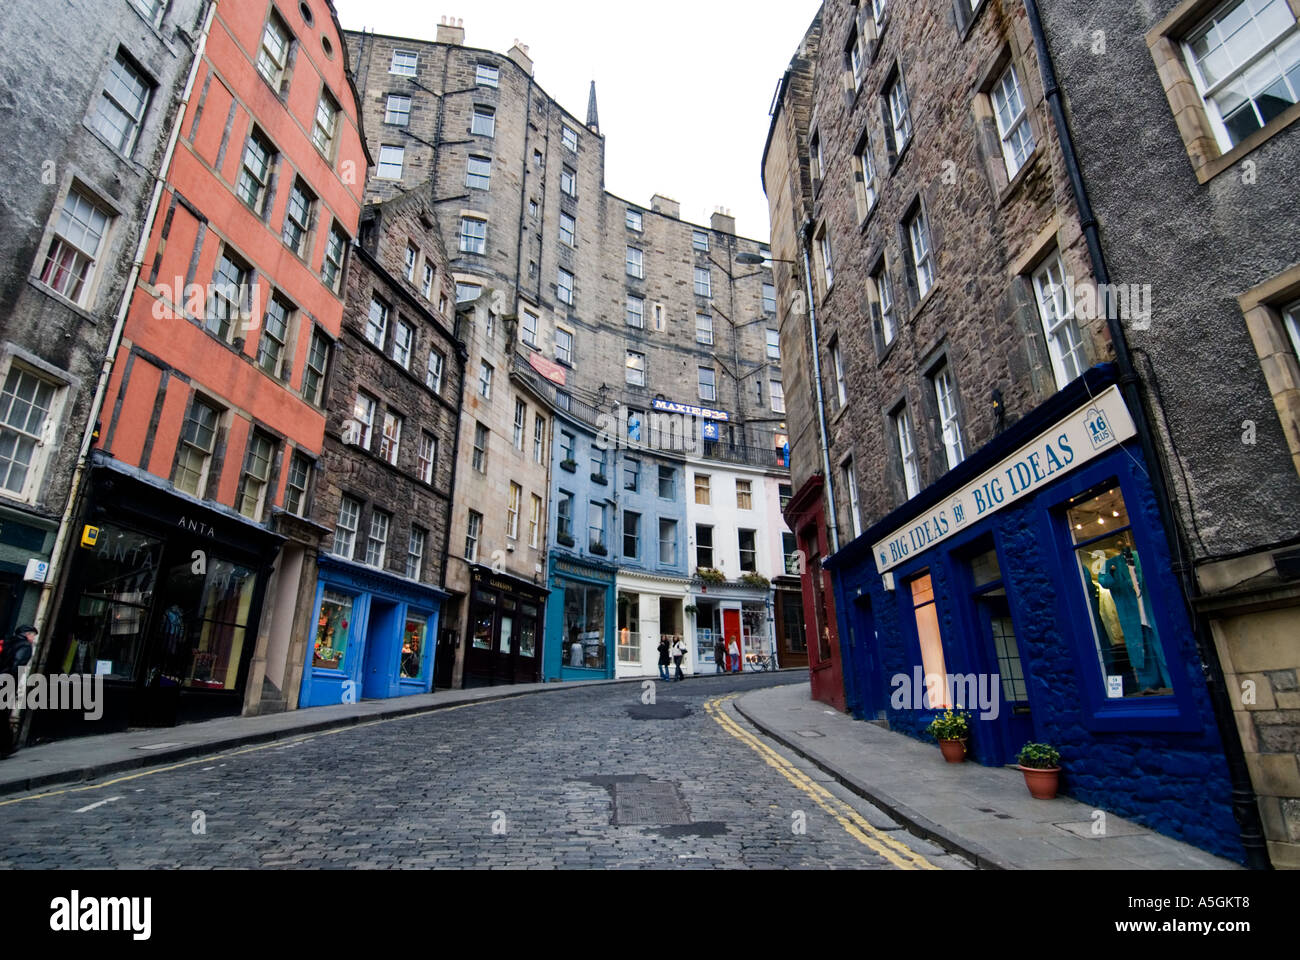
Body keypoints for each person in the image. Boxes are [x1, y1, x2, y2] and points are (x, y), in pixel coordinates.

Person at [0, 625, 37, 759]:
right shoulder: (25, 646)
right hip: (6, 682)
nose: (34, 638)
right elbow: (17, 665)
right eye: (33, 635)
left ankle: (7, 746)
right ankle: (6, 746)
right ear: (28, 634)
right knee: (3, 715)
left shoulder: (8, 642)